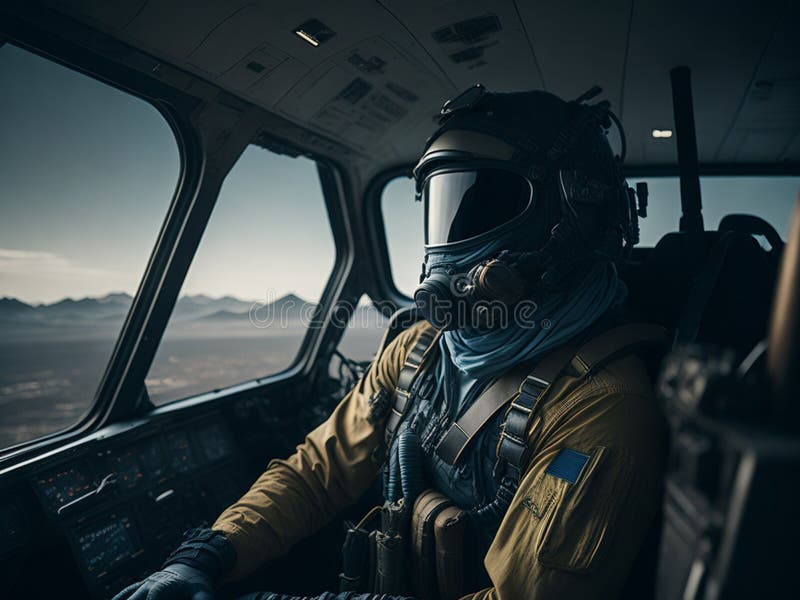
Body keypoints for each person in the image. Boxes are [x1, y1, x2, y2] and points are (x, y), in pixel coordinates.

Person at [112, 84, 666, 600]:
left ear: (570, 221)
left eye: (485, 205)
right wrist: (208, 556)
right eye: (447, 206)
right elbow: (319, 472)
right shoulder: (419, 349)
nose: (449, 244)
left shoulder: (603, 412)